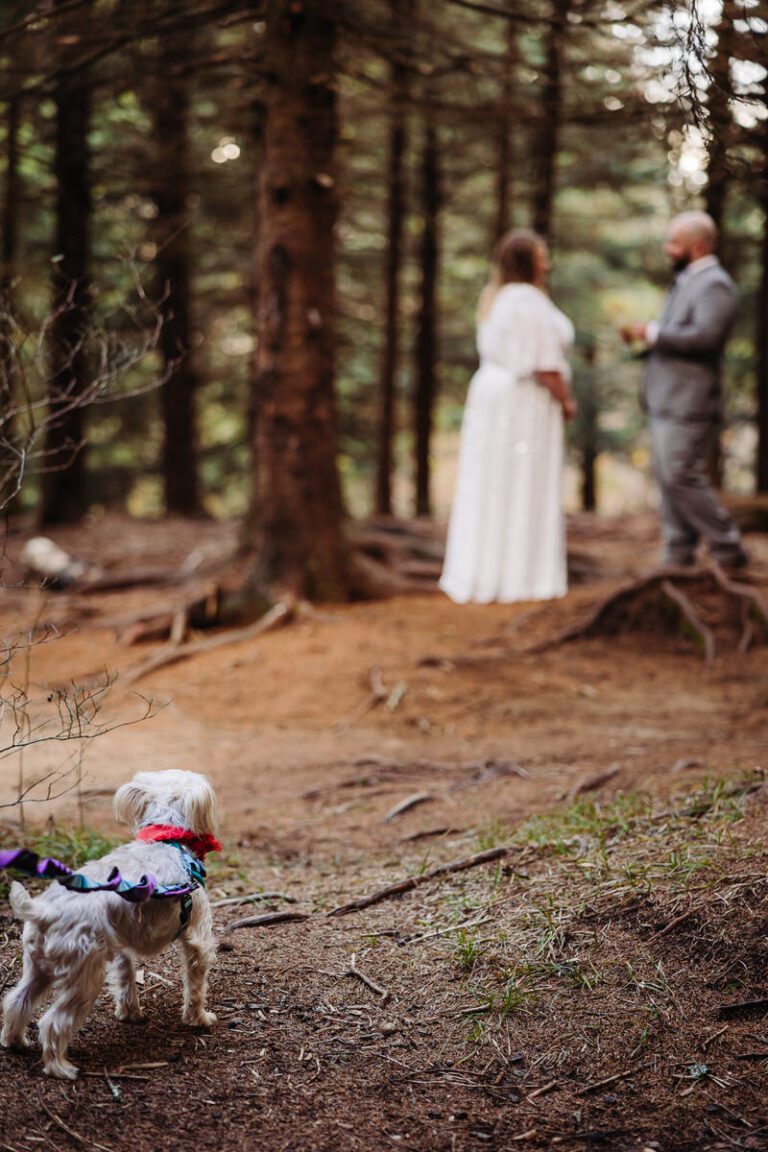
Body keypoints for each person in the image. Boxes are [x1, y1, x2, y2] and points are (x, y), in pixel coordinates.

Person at [439, 229, 575, 604]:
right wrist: (566, 401)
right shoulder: (528, 301)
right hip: (523, 403)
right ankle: (522, 578)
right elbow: (546, 363)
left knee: (496, 484)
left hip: (495, 401)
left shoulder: (496, 299)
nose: (547, 262)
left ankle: (493, 573)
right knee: (521, 484)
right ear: (528, 261)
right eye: (542, 255)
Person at [620, 210, 747, 570]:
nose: (667, 249)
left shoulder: (715, 284)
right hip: (666, 398)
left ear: (698, 245)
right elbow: (678, 338)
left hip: (690, 400)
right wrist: (645, 339)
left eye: (673, 242)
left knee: (679, 474)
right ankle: (678, 552)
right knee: (667, 476)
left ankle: (728, 547)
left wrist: (654, 333)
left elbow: (707, 338)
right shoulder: (686, 282)